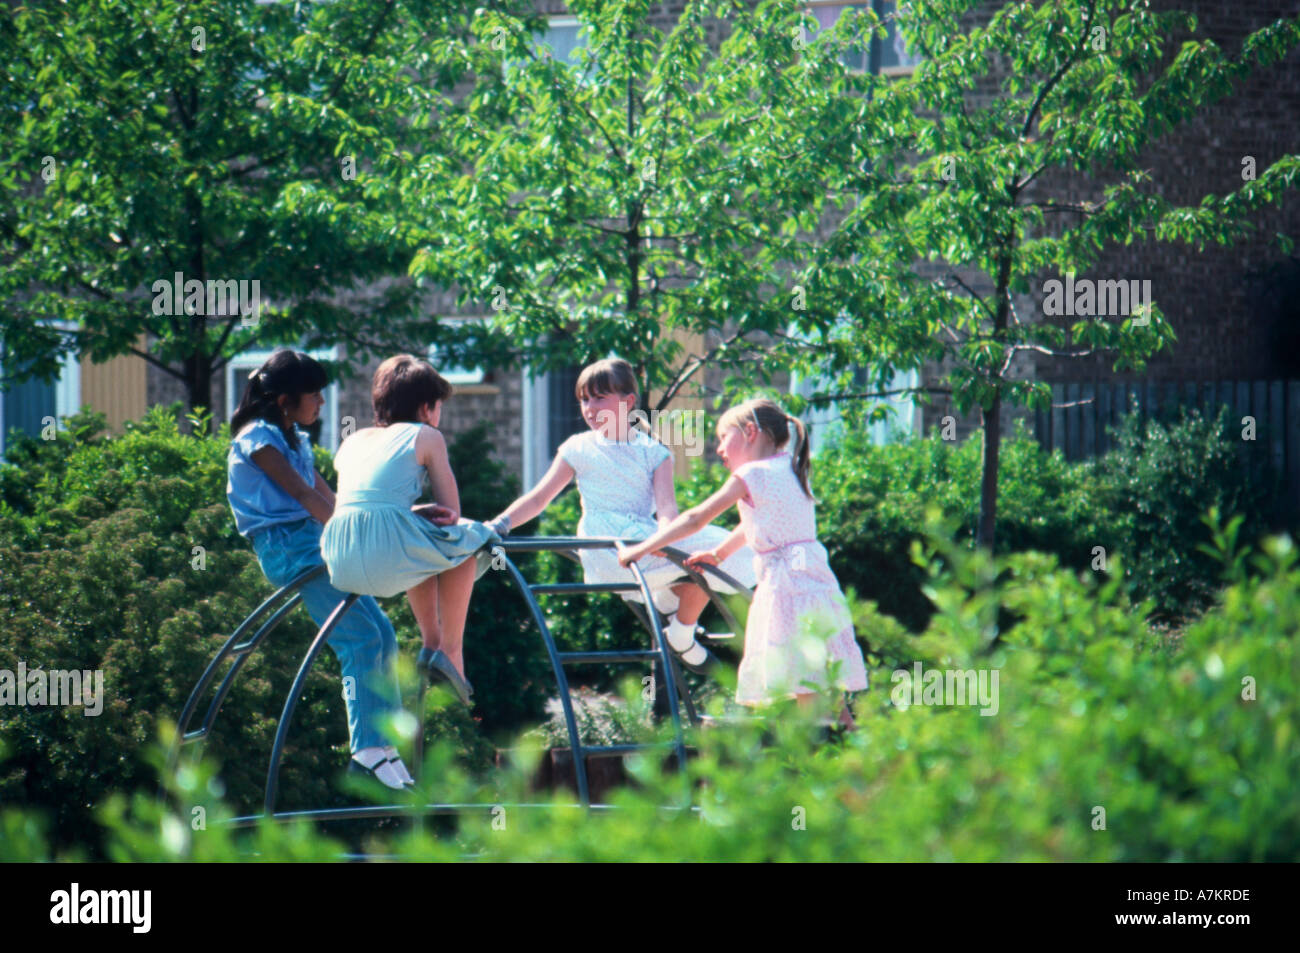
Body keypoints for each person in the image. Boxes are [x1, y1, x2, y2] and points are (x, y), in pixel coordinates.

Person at [487, 358, 756, 673]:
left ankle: (679, 630)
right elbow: (538, 499)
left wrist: (664, 536)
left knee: (703, 555)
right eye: (584, 399)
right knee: (699, 552)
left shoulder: (654, 452)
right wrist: (498, 524)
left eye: (599, 397)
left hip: (642, 542)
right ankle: (669, 610)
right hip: (607, 549)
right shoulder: (578, 447)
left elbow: (668, 511)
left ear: (628, 402)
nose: (589, 407)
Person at [226, 348, 413, 789]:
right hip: (290, 548)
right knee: (359, 638)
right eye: (315, 394)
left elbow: (333, 499)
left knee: (383, 634)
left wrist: (377, 521)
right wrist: (359, 536)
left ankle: (386, 746)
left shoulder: (294, 439)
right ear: (284, 398)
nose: (322, 403)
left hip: (315, 542)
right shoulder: (258, 440)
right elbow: (306, 498)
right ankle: (365, 751)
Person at [618, 397, 867, 726]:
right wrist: (719, 554)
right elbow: (755, 524)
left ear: (750, 431)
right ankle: (857, 748)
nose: (719, 448)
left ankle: (817, 761)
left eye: (723, 437)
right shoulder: (790, 467)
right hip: (815, 581)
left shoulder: (751, 474)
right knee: (820, 678)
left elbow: (695, 519)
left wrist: (642, 548)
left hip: (786, 587)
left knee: (805, 683)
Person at [321, 354, 497, 707]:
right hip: (388, 551)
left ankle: (429, 642)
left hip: (339, 557)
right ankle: (449, 649)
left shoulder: (351, 441)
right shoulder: (427, 435)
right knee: (473, 537)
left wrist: (414, 511)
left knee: (423, 536)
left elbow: (364, 503)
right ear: (426, 407)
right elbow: (452, 513)